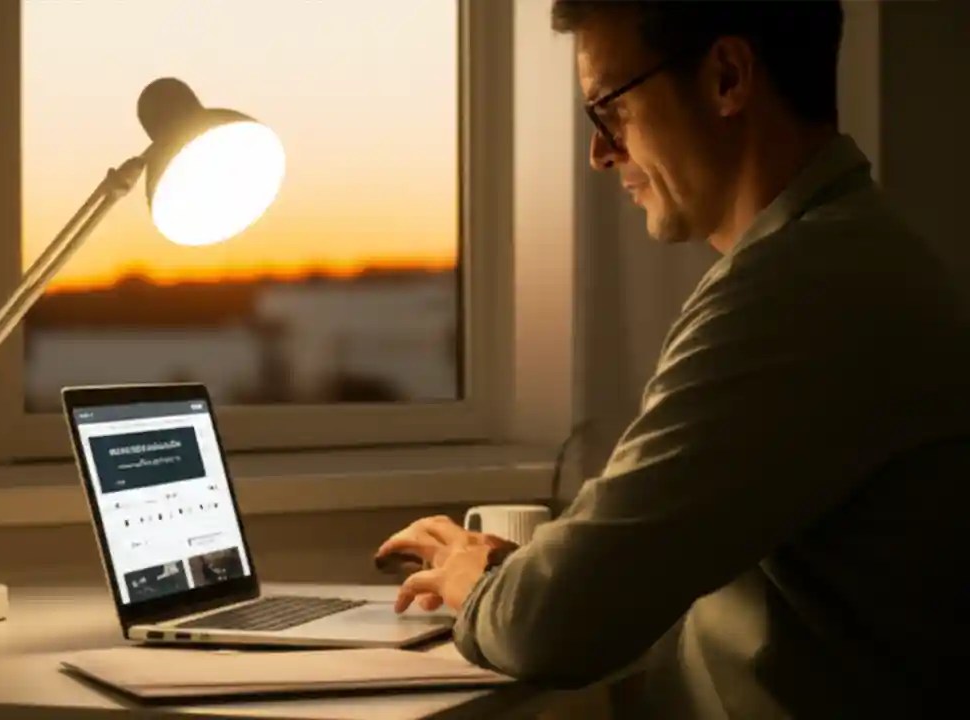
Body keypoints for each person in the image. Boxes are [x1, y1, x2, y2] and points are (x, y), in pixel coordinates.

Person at [375, 1, 970, 716]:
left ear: (726, 77)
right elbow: (650, 571)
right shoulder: (850, 253)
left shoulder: (798, 288)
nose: (600, 153)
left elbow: (551, 629)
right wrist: (509, 571)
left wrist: (480, 583)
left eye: (609, 110)